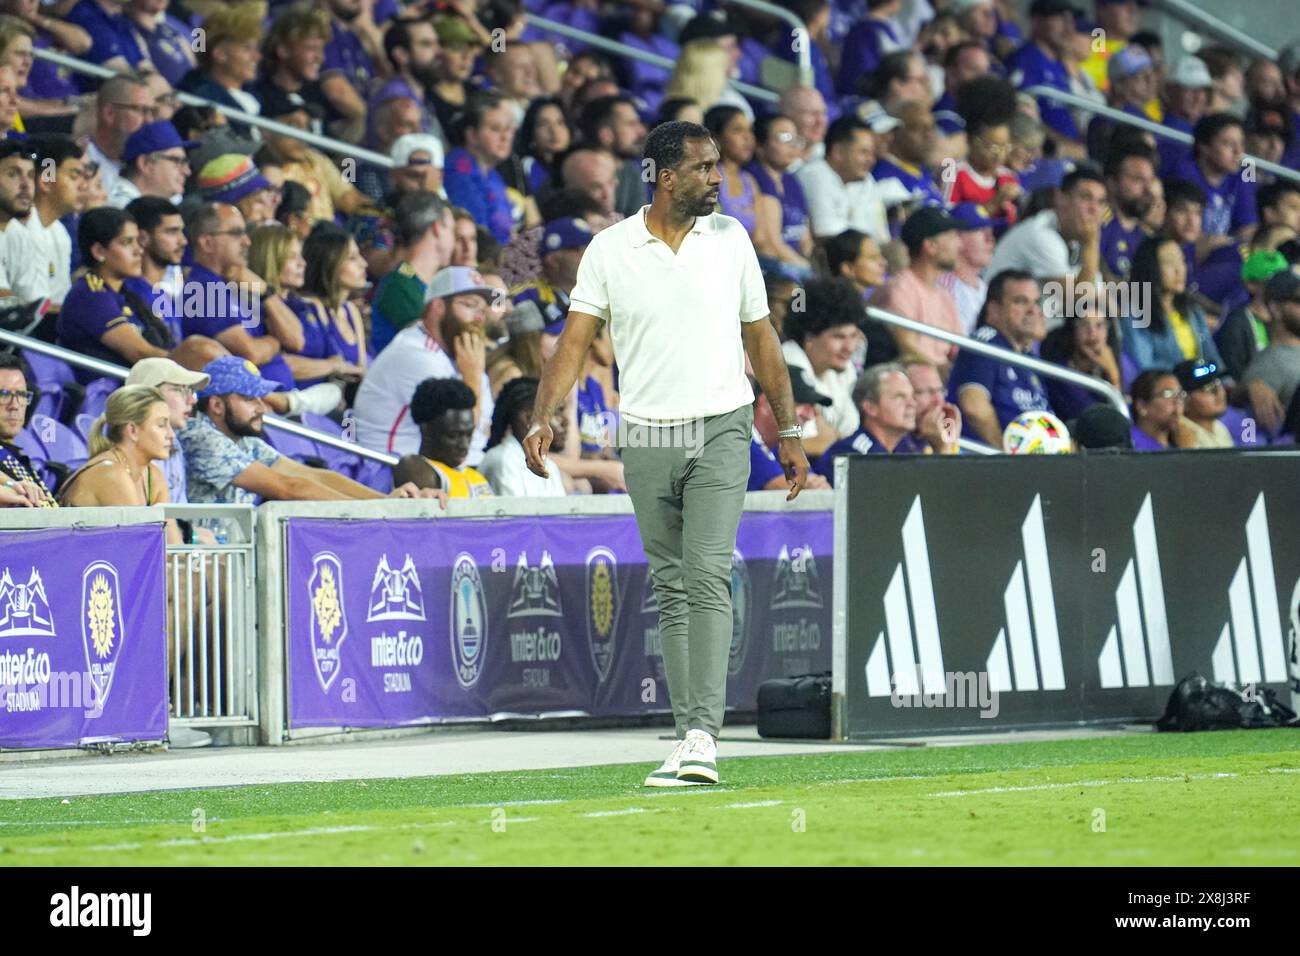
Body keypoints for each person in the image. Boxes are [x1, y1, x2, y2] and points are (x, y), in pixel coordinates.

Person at [523, 120, 809, 788]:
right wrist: (544, 414)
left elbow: (760, 337)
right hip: (646, 432)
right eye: (707, 167)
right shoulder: (609, 249)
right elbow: (573, 342)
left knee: (706, 574)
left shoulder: (732, 239)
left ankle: (705, 736)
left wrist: (788, 429)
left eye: (719, 166)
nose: (719, 177)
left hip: (721, 424)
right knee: (673, 587)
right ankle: (688, 738)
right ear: (666, 176)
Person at [179, 356, 433, 508]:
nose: (261, 407)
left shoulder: (241, 439)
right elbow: (288, 487)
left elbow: (315, 476)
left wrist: (383, 500)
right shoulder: (202, 437)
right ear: (216, 405)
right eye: (249, 399)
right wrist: (378, 510)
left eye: (261, 398)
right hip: (201, 566)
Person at [58, 206, 220, 383]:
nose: (139, 250)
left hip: (141, 390)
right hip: (112, 398)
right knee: (197, 348)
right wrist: (193, 360)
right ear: (99, 251)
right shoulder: (90, 296)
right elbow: (141, 353)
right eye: (127, 242)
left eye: (137, 241)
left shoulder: (126, 294)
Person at [353, 265, 494, 463]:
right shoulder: (416, 354)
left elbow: (484, 432)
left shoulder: (462, 356)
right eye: (470, 305)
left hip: (441, 470)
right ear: (438, 307)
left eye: (482, 310)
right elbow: (463, 430)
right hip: (391, 470)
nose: (479, 318)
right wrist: (473, 376)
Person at [57, 385, 181, 543]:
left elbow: (175, 549)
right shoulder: (110, 474)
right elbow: (137, 545)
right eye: (161, 425)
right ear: (133, 431)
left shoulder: (152, 476)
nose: (171, 434)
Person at [985, 166, 1105, 330]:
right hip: (996, 328)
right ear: (1061, 198)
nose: (1094, 209)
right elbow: (1080, 299)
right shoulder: (1040, 235)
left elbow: (1105, 301)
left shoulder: (1075, 240)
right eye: (1086, 198)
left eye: (1100, 202)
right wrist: (1092, 244)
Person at [947, 269, 1053, 447]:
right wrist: (1004, 457)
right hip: (985, 465)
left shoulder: (1027, 357)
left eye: (1037, 302)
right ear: (994, 310)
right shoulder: (984, 346)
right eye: (1020, 301)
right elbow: (975, 408)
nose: (1033, 310)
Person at [874, 206, 967, 373]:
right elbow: (906, 348)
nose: (960, 245)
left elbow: (957, 350)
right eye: (953, 237)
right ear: (930, 246)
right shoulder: (900, 289)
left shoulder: (943, 295)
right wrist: (942, 373)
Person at [781, 276, 863, 454]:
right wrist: (834, 438)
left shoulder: (843, 369)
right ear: (809, 338)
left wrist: (833, 436)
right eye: (838, 337)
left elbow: (850, 433)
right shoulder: (790, 364)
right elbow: (812, 444)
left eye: (854, 336)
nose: (849, 348)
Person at [813, 362, 931, 482]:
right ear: (870, 408)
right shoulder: (853, 454)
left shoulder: (903, 448)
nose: (912, 404)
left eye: (912, 396)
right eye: (900, 397)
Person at [1121, 236, 1224, 372]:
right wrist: (1190, 374)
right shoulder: (1136, 316)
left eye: (1181, 261)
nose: (1179, 270)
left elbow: (1214, 360)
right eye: (1170, 263)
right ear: (1151, 268)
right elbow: (1145, 366)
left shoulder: (1193, 311)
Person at [370, 190, 455, 352]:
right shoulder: (399, 286)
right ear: (437, 229)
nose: (454, 241)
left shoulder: (420, 283)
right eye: (451, 230)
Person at [283, 227, 368, 388]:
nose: (364, 263)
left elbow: (360, 368)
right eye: (352, 258)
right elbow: (287, 365)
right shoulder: (309, 308)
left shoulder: (351, 311)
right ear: (330, 264)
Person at [122, 355, 209, 509]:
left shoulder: (173, 442)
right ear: (147, 396)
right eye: (178, 390)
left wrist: (192, 533)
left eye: (190, 391)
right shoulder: (126, 447)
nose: (192, 400)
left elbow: (179, 512)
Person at [392, 377, 493, 498]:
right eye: (454, 436)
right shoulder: (413, 466)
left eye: (469, 434)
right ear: (426, 429)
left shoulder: (476, 476)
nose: (464, 445)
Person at [795, 115, 889, 242]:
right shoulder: (815, 175)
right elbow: (827, 235)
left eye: (872, 154)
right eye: (863, 152)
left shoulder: (865, 180)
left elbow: (877, 235)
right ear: (838, 152)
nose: (871, 160)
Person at [443, 92, 518, 246]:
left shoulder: (493, 175)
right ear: (472, 135)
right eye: (495, 129)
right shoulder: (457, 170)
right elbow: (478, 233)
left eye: (509, 129)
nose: (505, 137)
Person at [478, 376, 568, 496]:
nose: (565, 421)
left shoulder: (551, 466)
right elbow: (513, 514)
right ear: (529, 419)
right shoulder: (503, 461)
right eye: (556, 412)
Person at [747, 113, 813, 274]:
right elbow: (772, 244)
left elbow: (805, 236)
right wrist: (807, 270)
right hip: (771, 267)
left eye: (795, 138)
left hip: (796, 262)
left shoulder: (791, 180)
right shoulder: (756, 177)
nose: (793, 145)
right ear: (761, 145)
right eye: (784, 137)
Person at [1241, 267, 1300, 436]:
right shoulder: (1267, 366)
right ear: (1276, 308)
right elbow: (1251, 434)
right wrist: (1247, 387)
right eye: (1299, 300)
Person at [24, 135, 81, 310]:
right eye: (73, 176)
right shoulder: (20, 230)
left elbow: (58, 301)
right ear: (46, 181)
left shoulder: (59, 232)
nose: (83, 185)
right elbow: (31, 308)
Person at [1217, 249, 1290, 381]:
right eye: (1273, 280)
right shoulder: (1238, 324)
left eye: (1285, 280)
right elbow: (1235, 373)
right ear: (1251, 284)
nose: (1283, 286)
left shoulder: (1290, 318)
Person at [1039, 309, 1123, 422]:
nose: (1092, 333)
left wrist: (1112, 373)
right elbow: (1097, 421)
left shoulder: (1105, 369)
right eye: (1084, 325)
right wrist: (1114, 377)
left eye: (1099, 325)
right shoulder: (1060, 374)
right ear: (1072, 330)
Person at [81, 73, 153, 198]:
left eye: (151, 112)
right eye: (142, 110)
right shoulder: (79, 157)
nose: (149, 121)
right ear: (109, 113)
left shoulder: (148, 167)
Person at [0, 350, 55, 507]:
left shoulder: (15, 456)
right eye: (3, 394)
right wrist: (11, 485)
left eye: (22, 395)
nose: (15, 405)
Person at [106, 120, 195, 209]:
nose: (187, 172)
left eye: (185, 162)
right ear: (145, 164)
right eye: (177, 161)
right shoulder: (120, 208)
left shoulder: (172, 200)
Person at [1100, 146, 1157, 280]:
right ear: (1112, 183)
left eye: (1150, 181)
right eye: (1138, 179)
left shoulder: (1145, 238)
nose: (1148, 189)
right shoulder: (1096, 224)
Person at [937, 203, 994, 336]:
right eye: (980, 231)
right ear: (956, 237)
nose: (990, 239)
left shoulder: (986, 289)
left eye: (990, 232)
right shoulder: (943, 287)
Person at [0, 137, 43, 304]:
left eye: (31, 175)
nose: (26, 185)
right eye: (13, 174)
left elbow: (33, 302)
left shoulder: (18, 234)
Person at [1173, 359, 1233, 449]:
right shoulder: (1182, 432)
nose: (1219, 393)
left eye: (1218, 384)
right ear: (1183, 401)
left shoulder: (1220, 428)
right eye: (1208, 389)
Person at [1128, 368, 1185, 450]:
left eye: (1180, 395)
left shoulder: (1180, 441)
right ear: (1142, 406)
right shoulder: (1130, 444)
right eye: (1167, 394)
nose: (1177, 401)